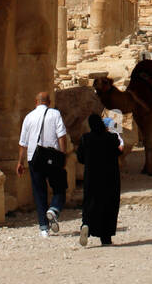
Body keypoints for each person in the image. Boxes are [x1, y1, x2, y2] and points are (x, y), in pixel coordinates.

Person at [17, 92, 67, 238]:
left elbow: (23, 143)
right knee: (59, 188)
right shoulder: (55, 114)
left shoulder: (28, 117)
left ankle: (44, 228)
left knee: (39, 192)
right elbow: (61, 136)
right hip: (52, 157)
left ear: (35, 102)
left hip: (35, 158)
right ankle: (54, 209)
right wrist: (63, 156)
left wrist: (20, 162)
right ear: (49, 102)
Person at [77, 114, 122, 247]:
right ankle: (106, 237)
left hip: (92, 177)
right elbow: (119, 151)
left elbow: (80, 158)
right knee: (109, 205)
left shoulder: (86, 139)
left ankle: (86, 224)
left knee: (90, 203)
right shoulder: (112, 138)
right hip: (110, 178)